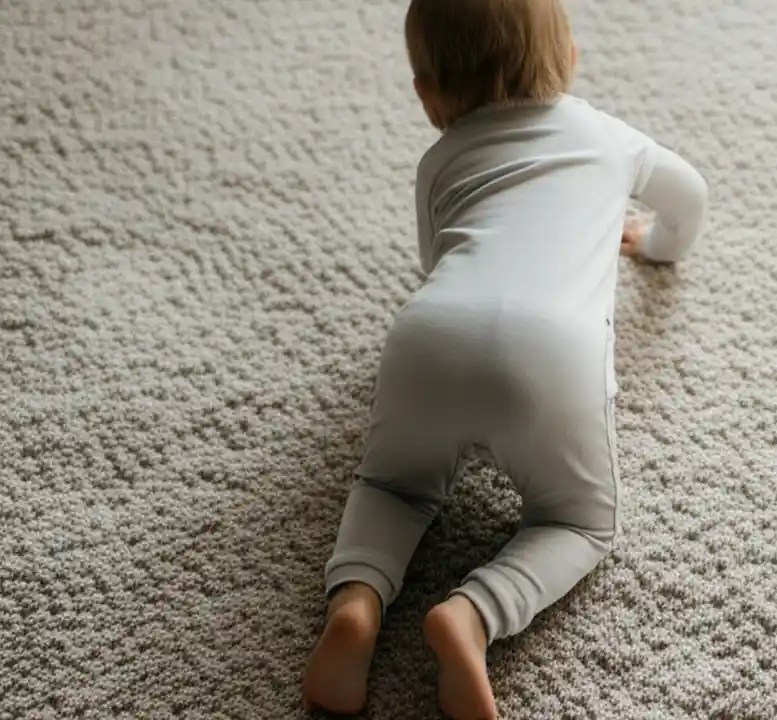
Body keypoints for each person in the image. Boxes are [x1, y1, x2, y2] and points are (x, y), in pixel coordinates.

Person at [301, 0, 709, 716]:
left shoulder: (438, 162)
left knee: (393, 485)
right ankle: (474, 614)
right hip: (552, 360)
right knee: (579, 522)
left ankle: (358, 601)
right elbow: (690, 196)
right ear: (571, 56)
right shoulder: (608, 138)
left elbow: (439, 257)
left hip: (428, 337)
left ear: (427, 93)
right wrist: (654, 244)